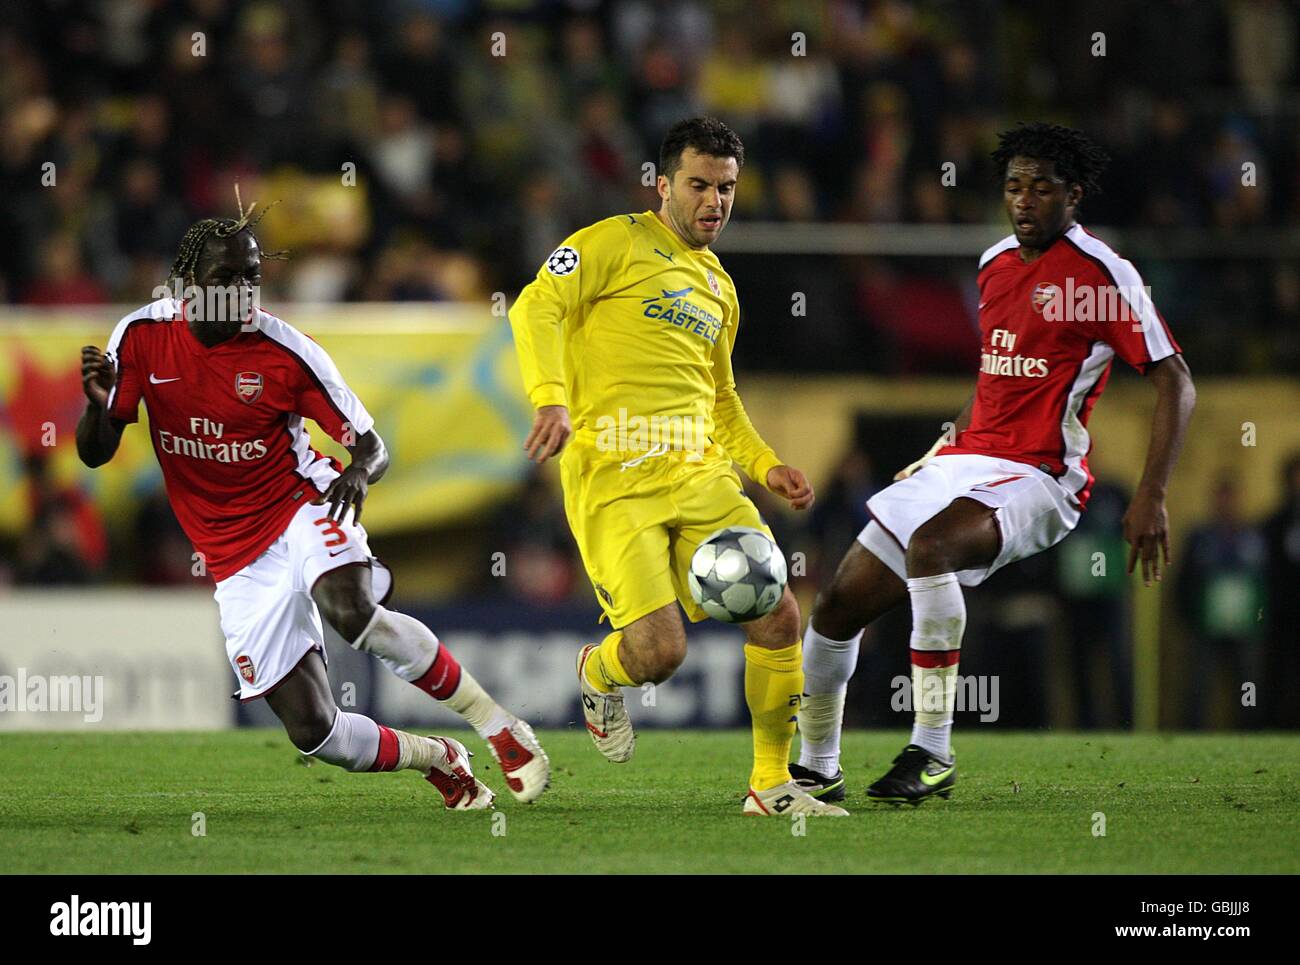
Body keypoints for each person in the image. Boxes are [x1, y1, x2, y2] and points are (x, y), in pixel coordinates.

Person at [76, 193, 549, 809]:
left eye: (253, 277)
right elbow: (94, 452)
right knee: (316, 733)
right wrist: (96, 406)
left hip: (301, 506)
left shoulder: (287, 351)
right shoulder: (140, 337)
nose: (245, 291)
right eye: (228, 278)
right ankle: (441, 757)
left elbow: (371, 445)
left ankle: (498, 727)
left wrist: (358, 473)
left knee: (351, 613)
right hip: (232, 558)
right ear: (189, 283)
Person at [792, 122, 1196, 804]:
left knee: (931, 548)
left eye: (1042, 187)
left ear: (1073, 194)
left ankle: (932, 751)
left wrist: (1152, 492)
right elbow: (1002, 379)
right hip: (965, 457)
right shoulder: (993, 264)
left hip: (1043, 475)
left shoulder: (1103, 273)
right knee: (837, 604)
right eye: (1014, 186)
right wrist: (944, 446)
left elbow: (1175, 379)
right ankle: (816, 768)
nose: (1024, 200)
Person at [508, 117, 844, 816]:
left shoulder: (720, 287)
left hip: (703, 476)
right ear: (663, 185)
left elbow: (721, 399)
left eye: (726, 188)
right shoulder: (611, 243)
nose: (714, 201)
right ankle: (598, 670)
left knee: (779, 612)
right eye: (699, 184)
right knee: (660, 653)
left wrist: (765, 463)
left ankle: (770, 784)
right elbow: (536, 305)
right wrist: (551, 400)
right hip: (615, 477)